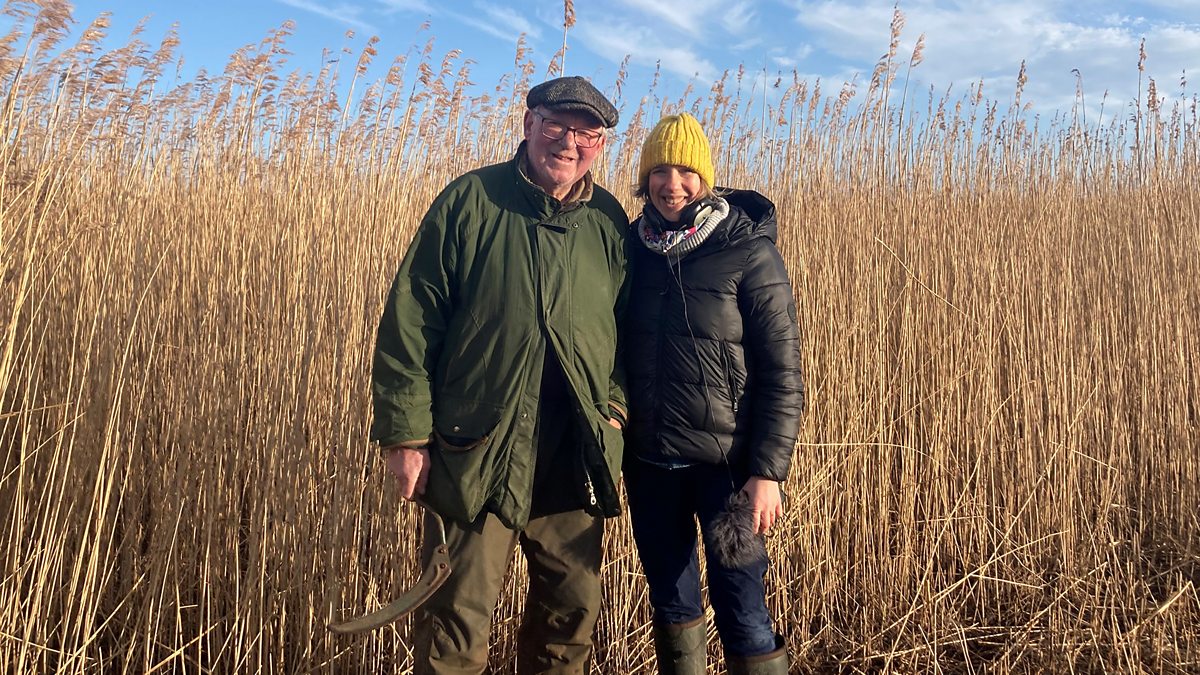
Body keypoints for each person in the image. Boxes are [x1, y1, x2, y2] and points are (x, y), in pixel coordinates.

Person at [370, 76, 631, 674]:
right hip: (476, 450)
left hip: (573, 457)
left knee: (570, 617)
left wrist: (614, 410)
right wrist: (406, 437)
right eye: (557, 125)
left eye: (586, 132)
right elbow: (412, 319)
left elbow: (628, 333)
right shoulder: (471, 200)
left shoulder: (609, 222)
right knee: (455, 625)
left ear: (601, 144)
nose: (569, 142)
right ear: (528, 123)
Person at [621, 113, 804, 675]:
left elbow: (783, 373)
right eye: (659, 171)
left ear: (705, 178)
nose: (671, 184)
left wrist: (768, 472)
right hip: (650, 464)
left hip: (727, 473)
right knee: (672, 604)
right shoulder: (630, 248)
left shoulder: (748, 253)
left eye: (685, 171)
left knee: (742, 609)